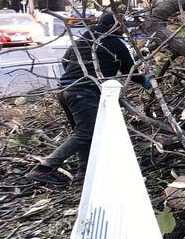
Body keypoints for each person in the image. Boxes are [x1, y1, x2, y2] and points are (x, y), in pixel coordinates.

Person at [25, 11, 140, 186]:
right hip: (83, 92)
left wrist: (78, 74)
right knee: (87, 132)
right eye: (122, 25)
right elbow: (129, 71)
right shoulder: (113, 43)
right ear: (113, 26)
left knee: (84, 133)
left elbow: (65, 61)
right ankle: (44, 169)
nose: (124, 30)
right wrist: (145, 80)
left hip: (66, 90)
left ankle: (83, 174)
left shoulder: (84, 38)